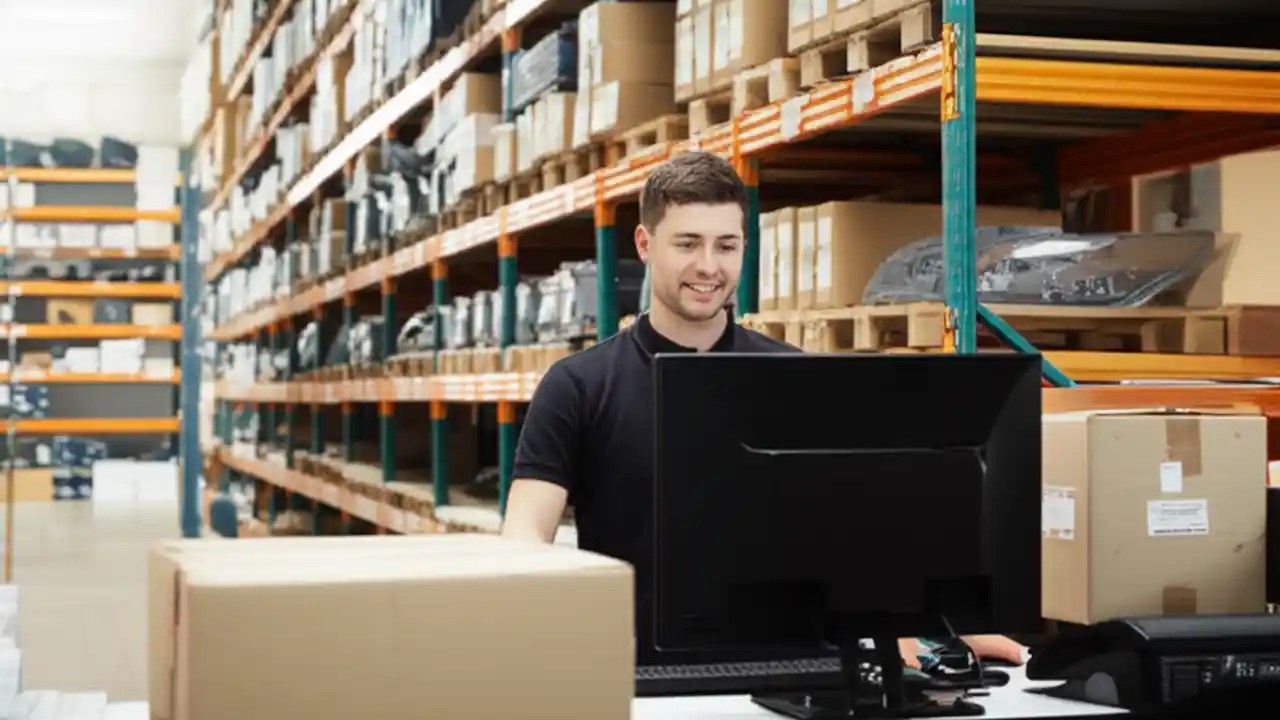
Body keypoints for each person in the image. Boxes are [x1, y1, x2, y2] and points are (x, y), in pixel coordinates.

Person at [500, 151, 1025, 668]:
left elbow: (858, 525)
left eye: (726, 246)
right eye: (688, 244)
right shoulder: (578, 386)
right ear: (645, 243)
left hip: (795, 676)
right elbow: (525, 538)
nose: (709, 266)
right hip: (645, 677)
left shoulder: (794, 378)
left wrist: (936, 619)